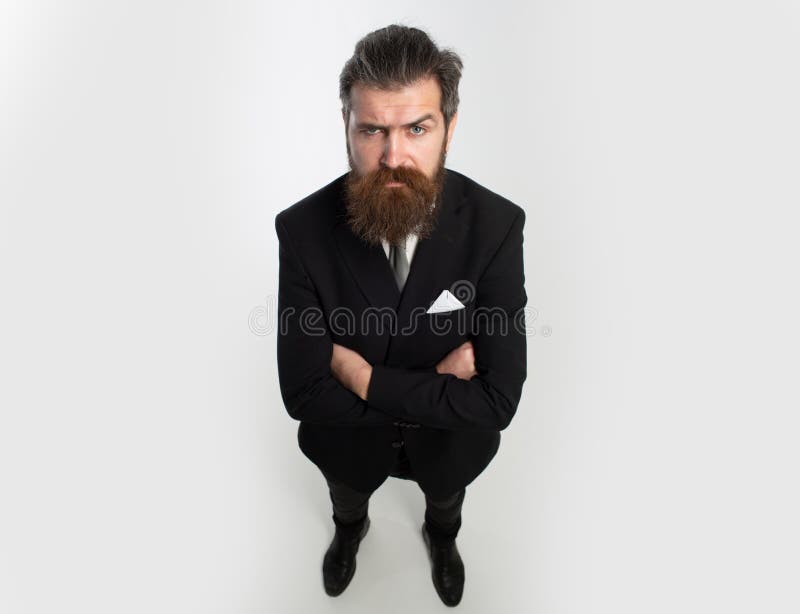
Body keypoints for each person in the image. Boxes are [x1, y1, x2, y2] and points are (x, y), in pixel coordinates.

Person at [274, 24, 527, 607]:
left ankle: (442, 539)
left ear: (449, 128)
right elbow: (303, 394)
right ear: (347, 126)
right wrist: (439, 383)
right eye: (373, 130)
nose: (395, 156)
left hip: (450, 444)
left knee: (447, 504)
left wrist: (361, 376)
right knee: (346, 500)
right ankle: (349, 532)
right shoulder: (302, 230)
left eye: (417, 128)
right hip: (347, 447)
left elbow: (498, 401)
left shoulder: (496, 225)